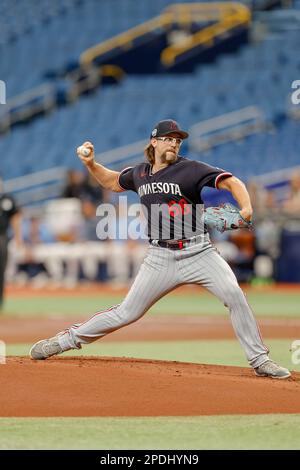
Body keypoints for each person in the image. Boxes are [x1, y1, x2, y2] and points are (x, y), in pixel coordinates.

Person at [30, 119, 290, 379]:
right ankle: (63, 341)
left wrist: (245, 208)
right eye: (169, 138)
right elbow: (111, 182)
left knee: (234, 294)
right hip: (160, 257)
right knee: (126, 313)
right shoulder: (139, 173)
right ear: (154, 142)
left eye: (178, 140)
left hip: (199, 252)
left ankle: (260, 360)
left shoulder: (191, 169)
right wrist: (91, 165)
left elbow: (232, 182)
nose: (174, 143)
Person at [0, 177, 23, 309]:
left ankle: (0, 300)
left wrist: (18, 237)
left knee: (1, 271)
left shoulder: (7, 200)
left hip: (2, 238)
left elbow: (15, 217)